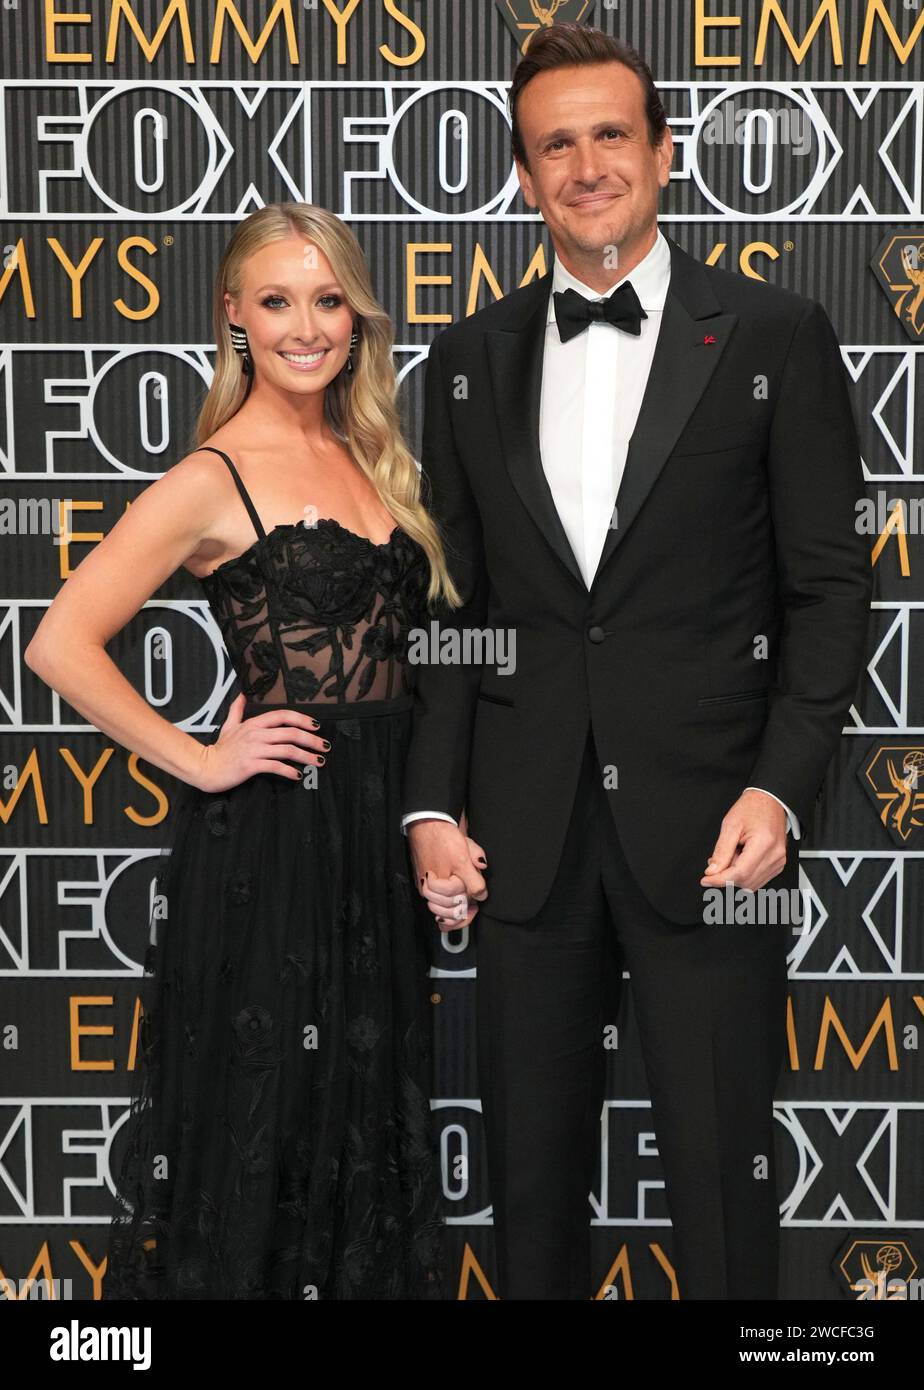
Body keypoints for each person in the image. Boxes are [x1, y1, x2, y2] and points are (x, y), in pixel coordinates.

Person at [402, 26, 872, 1299]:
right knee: (532, 1203)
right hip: (523, 838)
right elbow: (454, 609)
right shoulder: (465, 362)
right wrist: (433, 803)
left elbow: (830, 590)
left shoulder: (776, 335)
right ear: (521, 173)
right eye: (558, 142)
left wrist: (777, 791)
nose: (588, 163)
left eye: (613, 134)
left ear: (665, 156)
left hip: (714, 832)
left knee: (724, 1197)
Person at [25, 202, 464, 1299]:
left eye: (327, 300)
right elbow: (60, 642)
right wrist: (200, 757)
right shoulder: (213, 476)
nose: (305, 326)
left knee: (367, 1122)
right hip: (275, 839)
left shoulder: (379, 455)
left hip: (379, 844)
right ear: (234, 316)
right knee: (264, 1125)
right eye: (276, 301)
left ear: (357, 315)